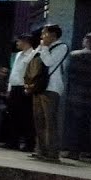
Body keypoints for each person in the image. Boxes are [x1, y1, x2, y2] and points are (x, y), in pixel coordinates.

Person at [30, 23, 69, 162]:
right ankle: (41, 150)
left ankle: (52, 152)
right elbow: (31, 60)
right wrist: (40, 48)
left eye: (44, 33)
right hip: (39, 87)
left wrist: (45, 48)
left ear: (53, 35)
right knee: (39, 120)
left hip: (52, 88)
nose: (42, 36)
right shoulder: (43, 46)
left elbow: (49, 62)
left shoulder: (62, 47)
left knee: (50, 121)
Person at [63, 32, 91, 161]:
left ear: (88, 41)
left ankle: (74, 151)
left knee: (76, 124)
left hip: (78, 95)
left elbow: (70, 74)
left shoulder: (76, 55)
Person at [0, 34, 37, 152]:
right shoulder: (18, 55)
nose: (17, 43)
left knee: (26, 116)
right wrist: (9, 88)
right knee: (12, 115)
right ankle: (12, 141)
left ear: (26, 42)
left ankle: (29, 144)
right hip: (15, 87)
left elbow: (32, 73)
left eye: (19, 41)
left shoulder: (34, 54)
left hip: (24, 88)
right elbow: (14, 72)